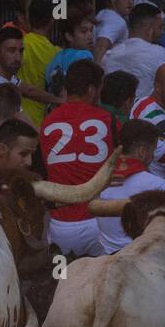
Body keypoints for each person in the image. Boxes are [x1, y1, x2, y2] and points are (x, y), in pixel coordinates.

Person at [40, 59, 116, 257]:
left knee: (58, 283)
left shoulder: (47, 123)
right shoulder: (107, 119)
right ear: (91, 90)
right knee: (101, 283)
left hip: (59, 229)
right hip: (97, 225)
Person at [95, 120, 165, 254]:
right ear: (142, 151)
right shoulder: (158, 185)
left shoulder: (100, 181)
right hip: (144, 260)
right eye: (153, 151)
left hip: (106, 257)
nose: (153, 157)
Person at [103, 3, 165, 109]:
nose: (163, 32)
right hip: (148, 117)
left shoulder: (109, 56)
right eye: (160, 27)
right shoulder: (159, 53)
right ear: (150, 29)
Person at [17, 0, 62, 124]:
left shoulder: (19, 46)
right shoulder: (57, 53)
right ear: (51, 21)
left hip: (18, 115)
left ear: (28, 18)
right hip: (43, 121)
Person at [45, 5, 94, 97]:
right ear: (69, 36)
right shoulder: (85, 56)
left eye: (91, 30)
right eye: (84, 32)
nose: (90, 36)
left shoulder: (55, 59)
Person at [93, 0, 136, 65]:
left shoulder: (103, 13)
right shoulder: (116, 21)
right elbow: (101, 46)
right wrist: (96, 74)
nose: (130, 2)